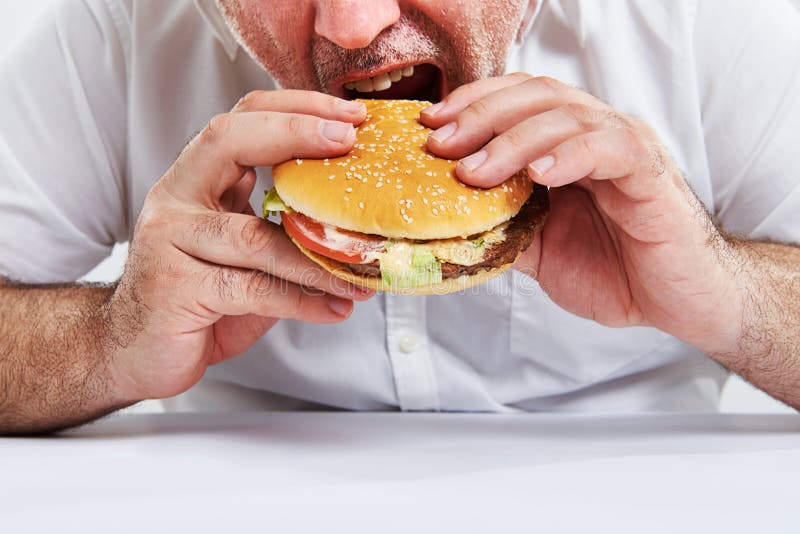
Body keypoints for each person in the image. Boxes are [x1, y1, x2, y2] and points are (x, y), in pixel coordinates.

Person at [1, 0, 799, 434]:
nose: (352, 24)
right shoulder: (116, 28)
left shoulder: (702, 22)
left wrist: (729, 296)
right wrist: (107, 340)